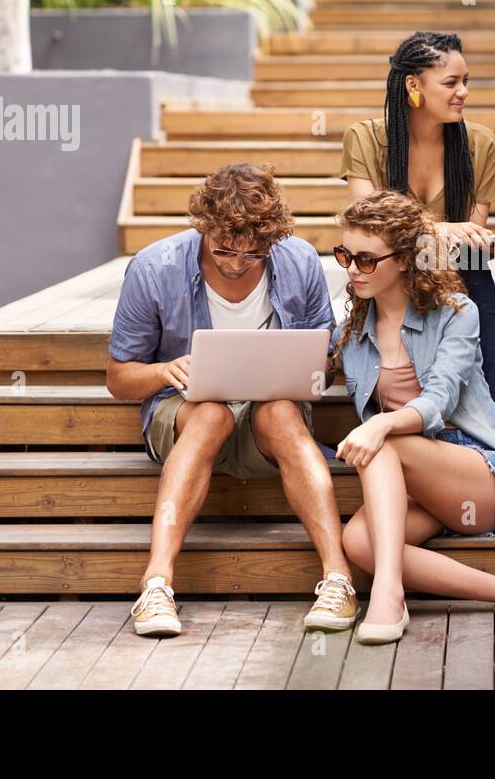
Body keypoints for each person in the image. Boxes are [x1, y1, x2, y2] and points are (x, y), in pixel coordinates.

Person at [108, 163, 358, 637]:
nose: (237, 263)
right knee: (210, 416)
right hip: (186, 418)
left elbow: (324, 357)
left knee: (282, 412)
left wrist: (316, 367)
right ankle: (156, 584)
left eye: (254, 253)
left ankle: (338, 578)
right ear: (203, 226)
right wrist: (164, 370)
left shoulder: (299, 260)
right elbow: (119, 379)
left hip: (271, 421)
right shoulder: (155, 267)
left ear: (272, 240)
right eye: (223, 249)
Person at [330, 191, 495, 644]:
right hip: (413, 484)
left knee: (384, 442)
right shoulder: (351, 333)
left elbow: (439, 402)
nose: (352, 269)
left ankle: (388, 597)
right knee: (357, 543)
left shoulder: (455, 313)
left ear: (407, 259)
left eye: (367, 259)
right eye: (345, 255)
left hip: (476, 470)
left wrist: (381, 423)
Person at [339, 30, 495, 411]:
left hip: (453, 272)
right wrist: (438, 228)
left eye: (466, 82)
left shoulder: (480, 144)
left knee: (476, 269)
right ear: (413, 85)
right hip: (387, 271)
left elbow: (471, 238)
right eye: (451, 82)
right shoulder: (365, 138)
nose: (462, 91)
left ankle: (492, 412)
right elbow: (371, 229)